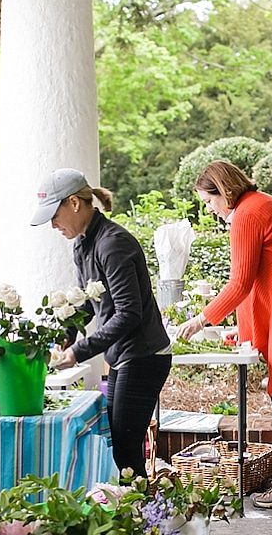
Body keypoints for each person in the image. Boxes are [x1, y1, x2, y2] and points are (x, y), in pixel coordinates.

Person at [175, 160, 272, 510]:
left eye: (209, 201)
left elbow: (240, 283)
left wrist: (200, 321)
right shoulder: (262, 204)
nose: (209, 209)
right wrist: (244, 327)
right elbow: (264, 275)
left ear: (224, 191)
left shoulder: (247, 214)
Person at [33, 168, 171, 478]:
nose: (52, 224)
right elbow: (87, 301)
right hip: (124, 355)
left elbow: (128, 313)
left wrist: (79, 351)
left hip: (145, 356)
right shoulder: (84, 244)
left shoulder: (113, 244)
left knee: (126, 451)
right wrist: (65, 336)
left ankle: (142, 508)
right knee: (119, 448)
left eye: (54, 215)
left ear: (74, 203)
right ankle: (135, 506)